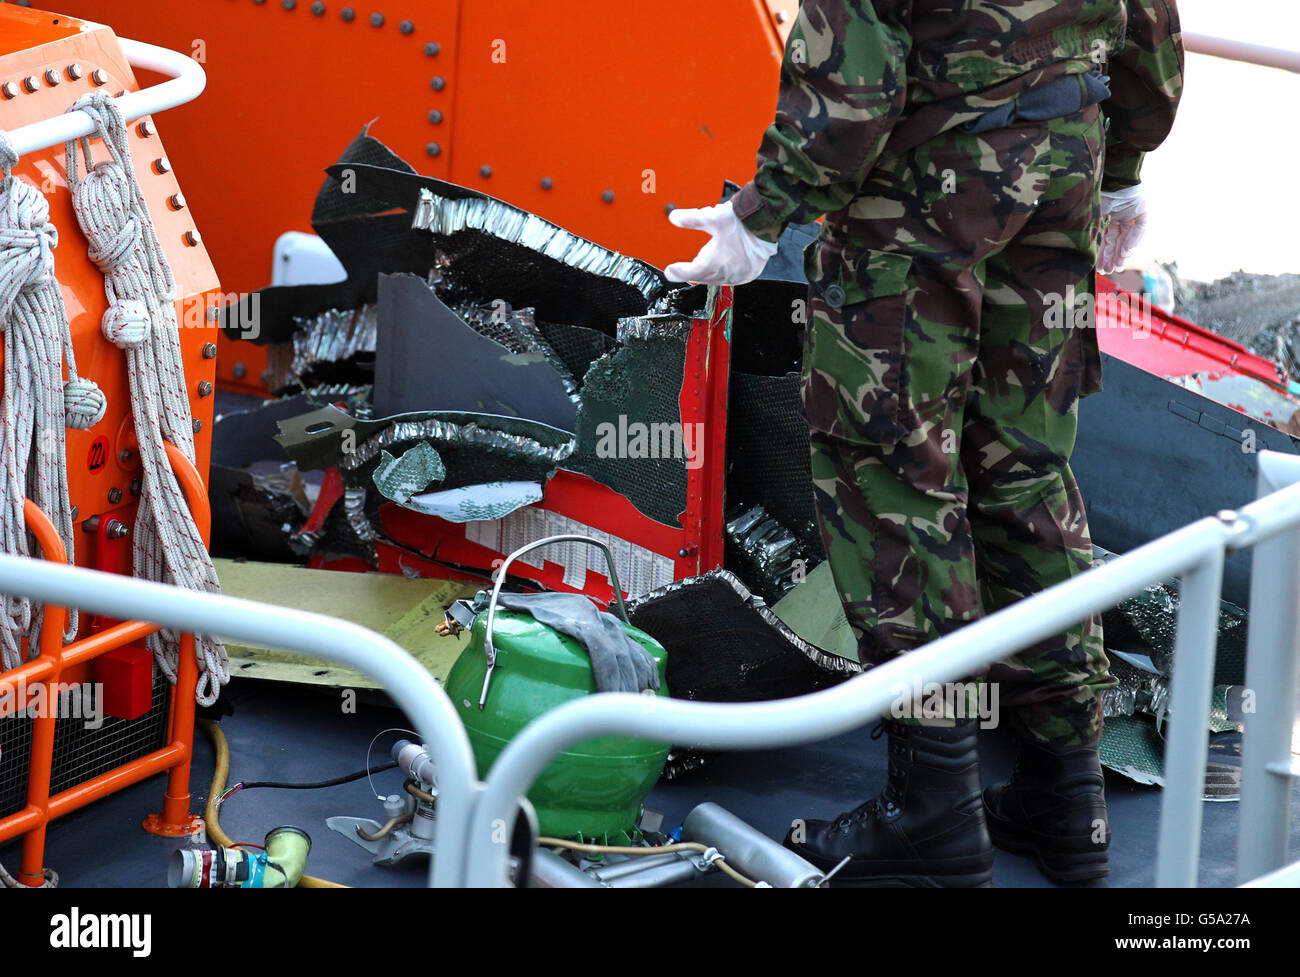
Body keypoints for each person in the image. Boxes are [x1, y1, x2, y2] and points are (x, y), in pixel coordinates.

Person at [666, 0, 1183, 886]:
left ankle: (936, 803)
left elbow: (853, 83)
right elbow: (1148, 25)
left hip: (923, 199)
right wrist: (1125, 160)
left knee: (895, 472)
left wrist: (761, 213)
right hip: (1064, 163)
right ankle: (1069, 795)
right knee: (1025, 467)